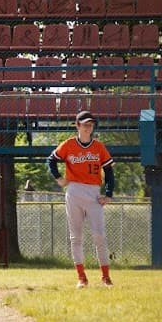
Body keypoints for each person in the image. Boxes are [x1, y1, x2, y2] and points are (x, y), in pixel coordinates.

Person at [48, 110, 116, 287]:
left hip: (94, 192)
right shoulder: (69, 144)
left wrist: (108, 193)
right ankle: (81, 277)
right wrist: (59, 179)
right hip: (74, 190)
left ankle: (106, 277)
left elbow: (108, 171)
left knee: (99, 236)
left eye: (91, 124)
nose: (88, 127)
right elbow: (51, 160)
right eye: (84, 124)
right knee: (76, 237)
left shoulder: (98, 146)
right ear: (77, 125)